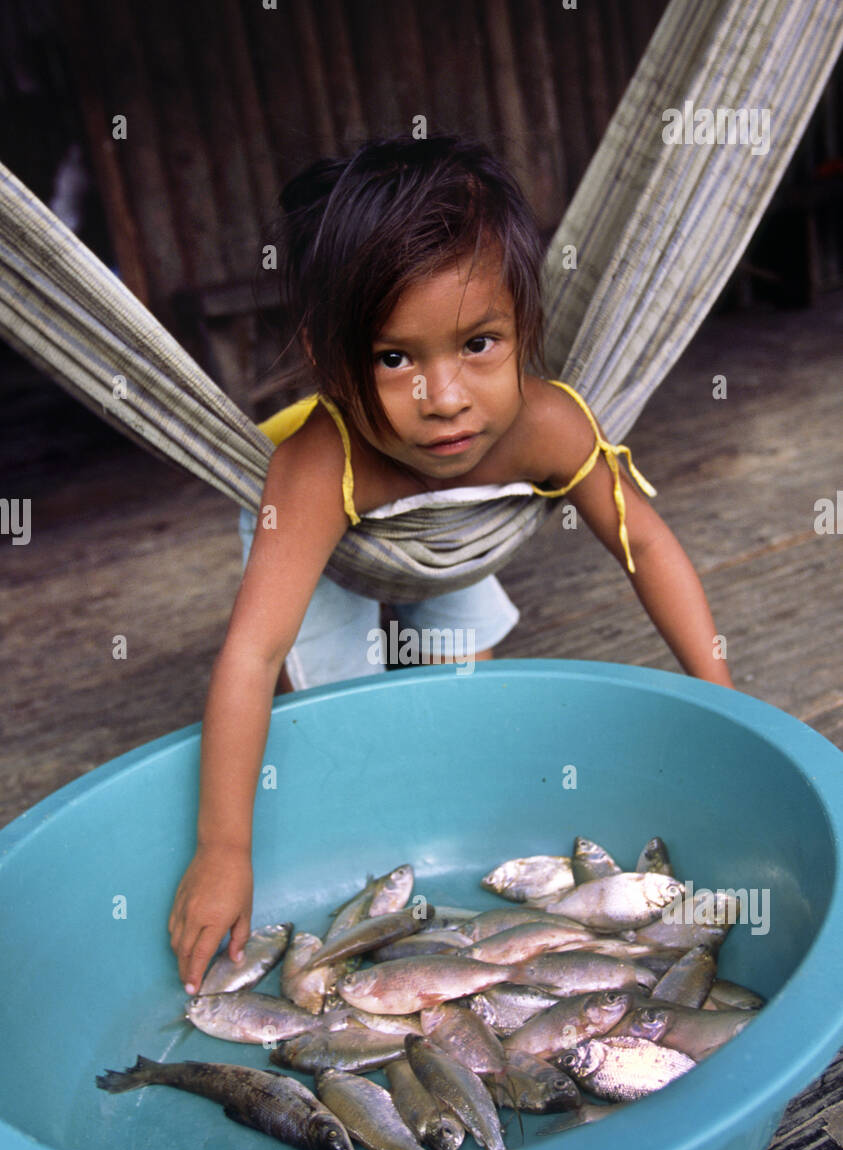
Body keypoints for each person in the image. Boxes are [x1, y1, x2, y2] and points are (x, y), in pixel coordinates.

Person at [168, 133, 734, 994]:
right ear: (331, 363)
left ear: (523, 329)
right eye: (394, 358)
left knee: (454, 693)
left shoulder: (544, 424)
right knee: (340, 714)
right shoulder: (319, 463)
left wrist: (719, 703)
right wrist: (222, 851)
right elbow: (247, 655)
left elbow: (645, 541)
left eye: (479, 344)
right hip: (327, 550)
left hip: (464, 532)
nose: (445, 400)